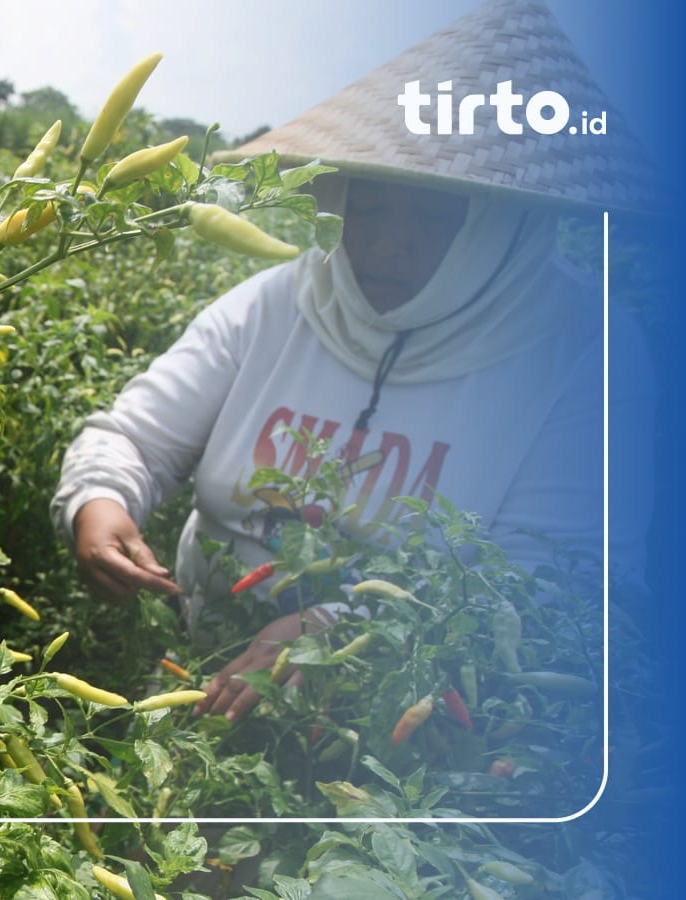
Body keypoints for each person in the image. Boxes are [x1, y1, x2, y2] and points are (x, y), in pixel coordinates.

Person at [50, 0, 653, 722]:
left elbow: (552, 588)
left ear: (503, 221)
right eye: (367, 207)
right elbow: (133, 436)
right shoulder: (283, 301)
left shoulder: (583, 350)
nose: (383, 246)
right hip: (203, 672)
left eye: (433, 216)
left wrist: (339, 630)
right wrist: (100, 499)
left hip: (409, 726)